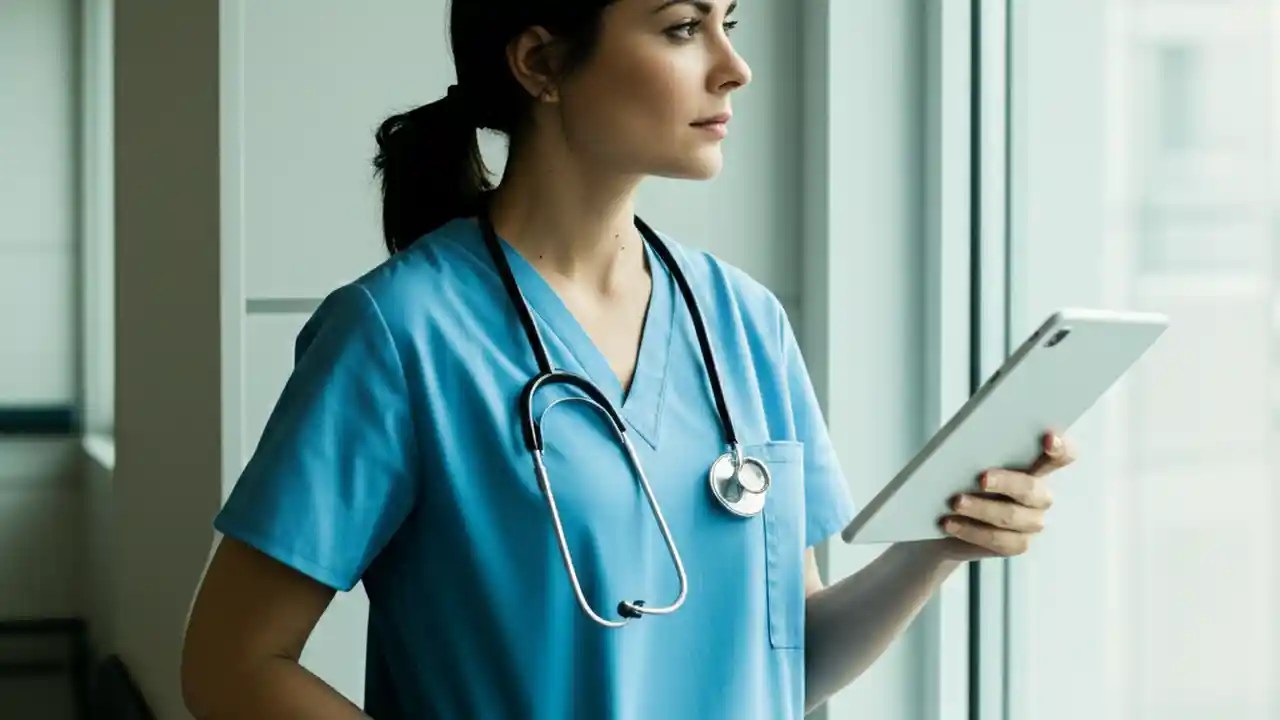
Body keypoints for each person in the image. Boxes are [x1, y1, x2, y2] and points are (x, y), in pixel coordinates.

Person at [180, 1, 1075, 717]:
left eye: (731, 23)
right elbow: (231, 666)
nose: (734, 65)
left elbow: (786, 664)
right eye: (684, 28)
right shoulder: (397, 332)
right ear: (539, 63)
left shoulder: (743, 322)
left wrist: (938, 545)